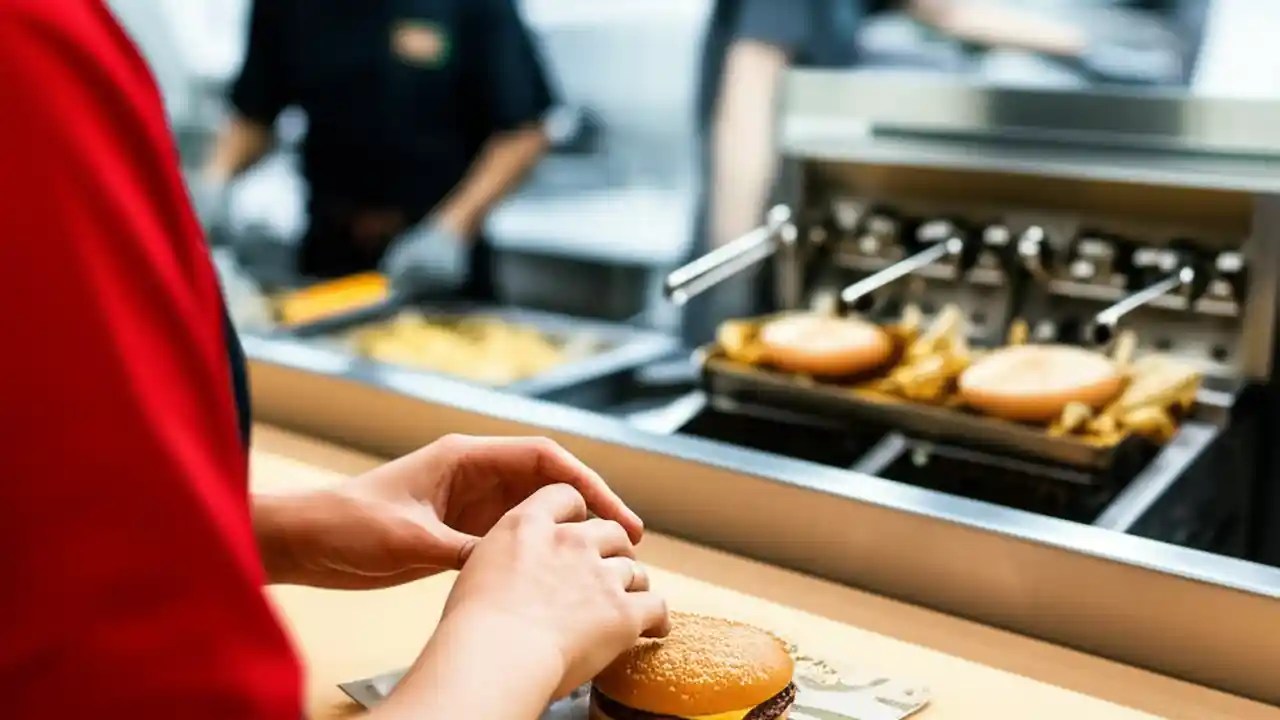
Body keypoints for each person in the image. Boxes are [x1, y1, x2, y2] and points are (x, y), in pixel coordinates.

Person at [0, 2, 667, 718]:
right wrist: (514, 640)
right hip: (331, 249)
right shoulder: (28, 54)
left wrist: (274, 532)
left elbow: (39, 548)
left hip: (433, 256)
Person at [196, 0, 555, 297]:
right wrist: (216, 178)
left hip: (437, 256)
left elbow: (523, 134)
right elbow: (255, 115)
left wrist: (451, 229)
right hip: (329, 255)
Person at [681, 0, 867, 349]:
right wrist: (730, 284)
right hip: (752, 254)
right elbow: (744, 129)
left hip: (796, 257)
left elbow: (942, 10)